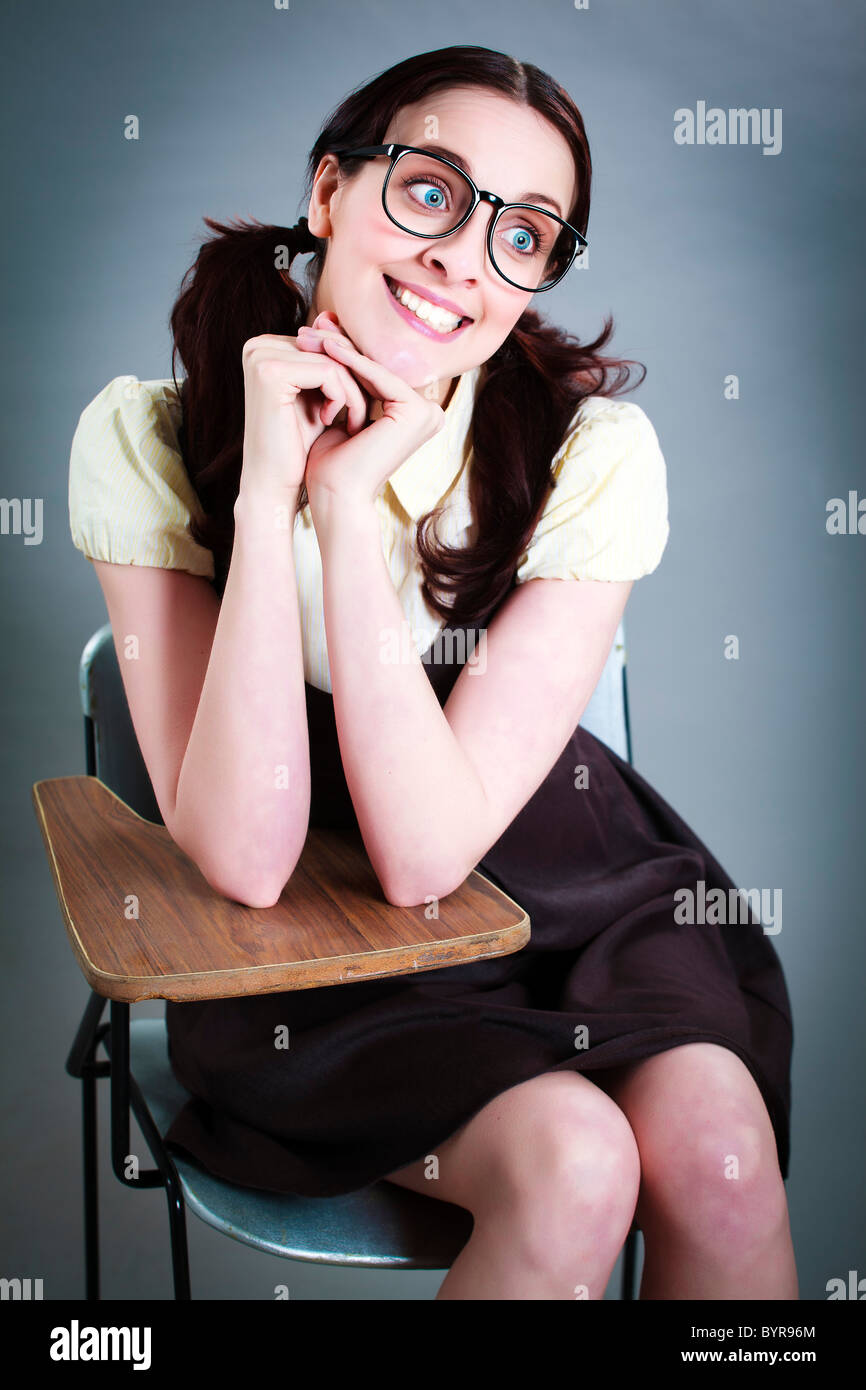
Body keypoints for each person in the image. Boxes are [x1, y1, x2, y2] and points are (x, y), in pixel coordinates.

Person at [67, 45, 796, 1300]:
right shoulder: (147, 435)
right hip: (302, 953)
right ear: (330, 192)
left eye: (525, 233)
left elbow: (432, 844)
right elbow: (245, 857)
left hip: (562, 889)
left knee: (722, 1154)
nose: (465, 257)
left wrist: (354, 511)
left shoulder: (592, 453)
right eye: (431, 191)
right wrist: (275, 496)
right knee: (570, 1166)